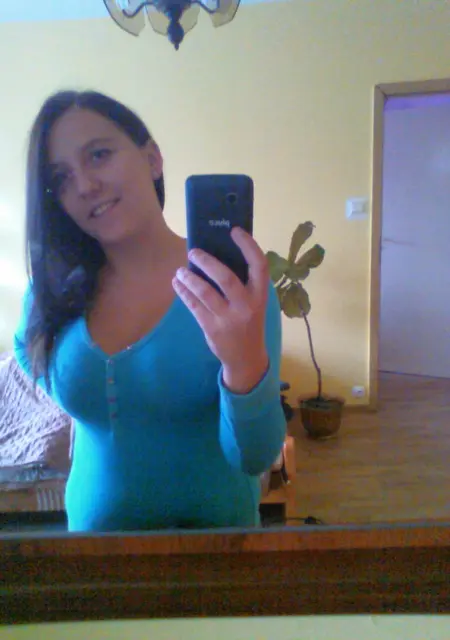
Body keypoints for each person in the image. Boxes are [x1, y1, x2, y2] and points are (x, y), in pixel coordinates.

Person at [13, 90, 287, 532]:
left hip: (218, 552)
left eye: (99, 155)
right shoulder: (52, 293)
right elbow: (26, 350)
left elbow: (255, 457)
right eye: (61, 178)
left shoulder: (234, 290)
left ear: (153, 159)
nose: (84, 186)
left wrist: (244, 365)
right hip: (91, 555)